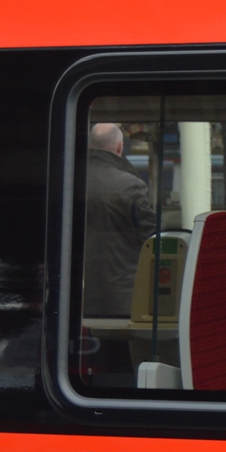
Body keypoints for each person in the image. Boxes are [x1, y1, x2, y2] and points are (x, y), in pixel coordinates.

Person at [83, 122, 156, 318]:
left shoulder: (68, 180)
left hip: (76, 297)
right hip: (122, 299)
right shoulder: (131, 186)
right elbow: (151, 241)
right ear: (119, 147)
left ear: (90, 146)